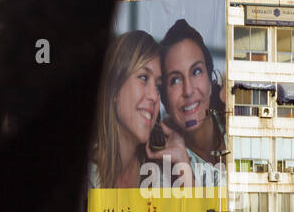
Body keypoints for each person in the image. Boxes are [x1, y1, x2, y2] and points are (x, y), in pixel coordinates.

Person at [89, 30, 191, 188]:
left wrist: (184, 167)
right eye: (143, 78)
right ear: (114, 88)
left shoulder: (158, 177)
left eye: (158, 86)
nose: (154, 96)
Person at [158, 18, 228, 185]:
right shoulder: (164, 164)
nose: (188, 91)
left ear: (210, 82)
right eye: (175, 80)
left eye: (196, 71)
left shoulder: (233, 119)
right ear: (164, 100)